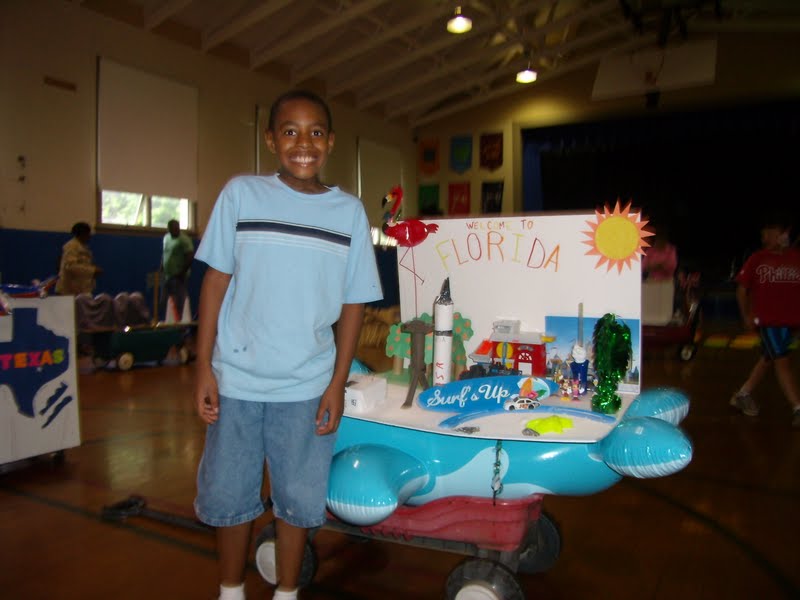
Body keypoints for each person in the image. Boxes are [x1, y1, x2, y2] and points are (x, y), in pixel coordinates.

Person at [193, 89, 383, 600]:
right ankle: (230, 591)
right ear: (271, 138)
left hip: (306, 387)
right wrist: (203, 367)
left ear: (331, 142)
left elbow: (353, 307)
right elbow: (214, 284)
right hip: (235, 383)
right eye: (291, 131)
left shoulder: (348, 214)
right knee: (230, 496)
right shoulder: (241, 195)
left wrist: (337, 384)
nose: (304, 143)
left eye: (316, 132)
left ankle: (287, 592)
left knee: (297, 502)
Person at [730, 213, 800, 428]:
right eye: (768, 233)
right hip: (768, 321)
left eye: (778, 232)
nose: (772, 237)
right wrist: (747, 316)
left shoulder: (796, 257)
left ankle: (743, 394)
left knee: (769, 358)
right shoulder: (757, 259)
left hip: (789, 322)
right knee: (782, 362)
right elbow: (742, 290)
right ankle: (797, 406)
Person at [160, 219, 195, 321]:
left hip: (178, 277)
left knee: (179, 301)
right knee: (165, 301)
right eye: (173, 229)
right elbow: (165, 253)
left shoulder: (184, 240)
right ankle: (168, 321)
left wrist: (182, 273)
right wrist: (162, 266)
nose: (175, 230)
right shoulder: (166, 238)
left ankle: (181, 324)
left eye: (177, 228)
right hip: (167, 276)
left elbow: (190, 256)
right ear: (169, 229)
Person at [55, 221, 103, 295]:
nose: (89, 236)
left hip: (80, 289)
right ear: (82, 234)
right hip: (68, 290)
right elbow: (70, 266)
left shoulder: (83, 247)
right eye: (88, 233)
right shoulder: (71, 246)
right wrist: (92, 271)